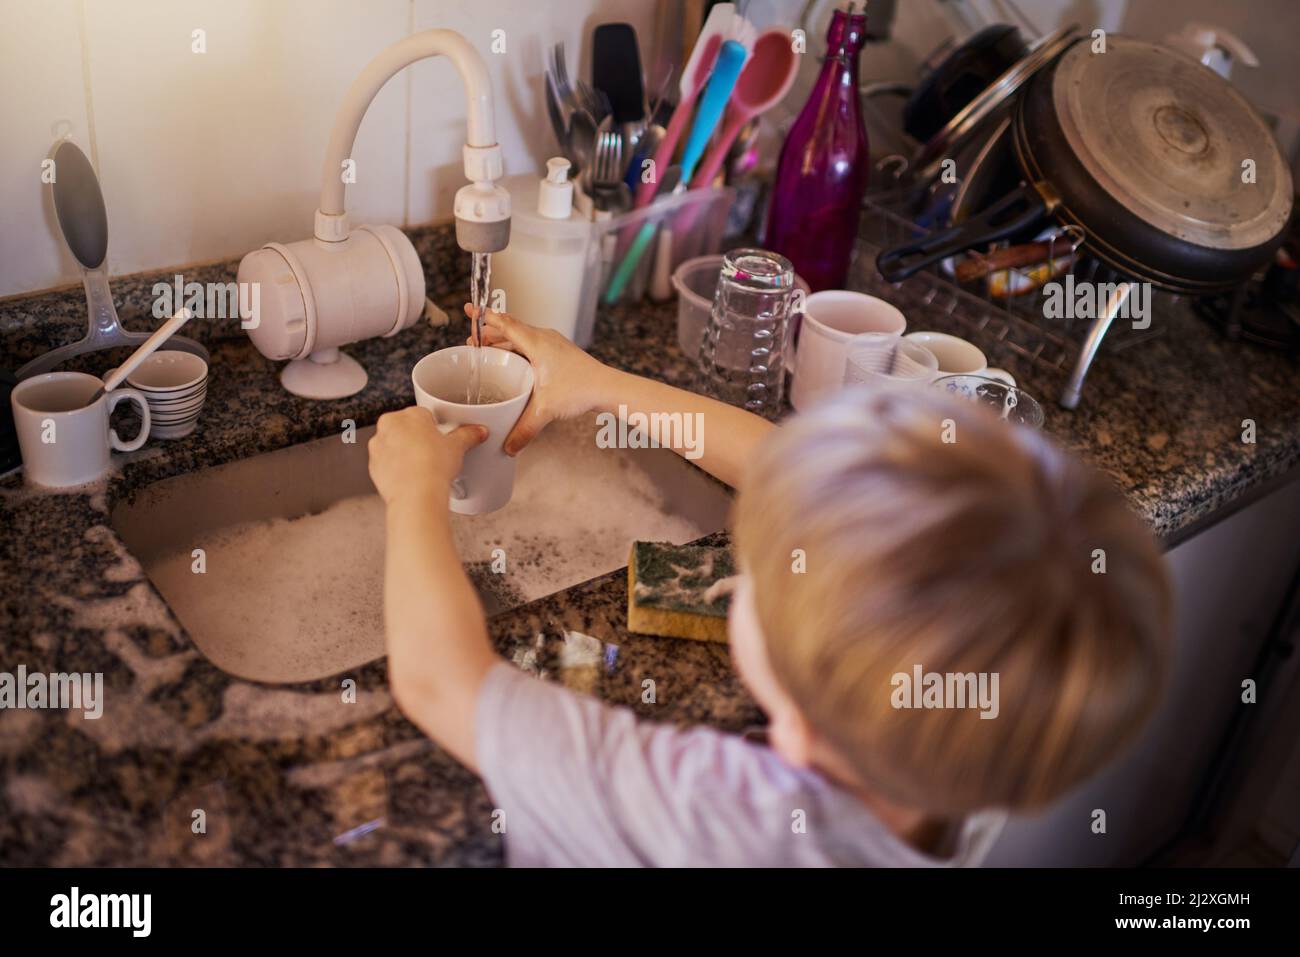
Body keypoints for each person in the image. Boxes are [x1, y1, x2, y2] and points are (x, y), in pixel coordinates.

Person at [365, 306, 1172, 866]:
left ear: (798, 705)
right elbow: (786, 472)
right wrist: (601, 382)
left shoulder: (711, 817)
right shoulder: (972, 752)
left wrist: (413, 490)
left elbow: (441, 680)